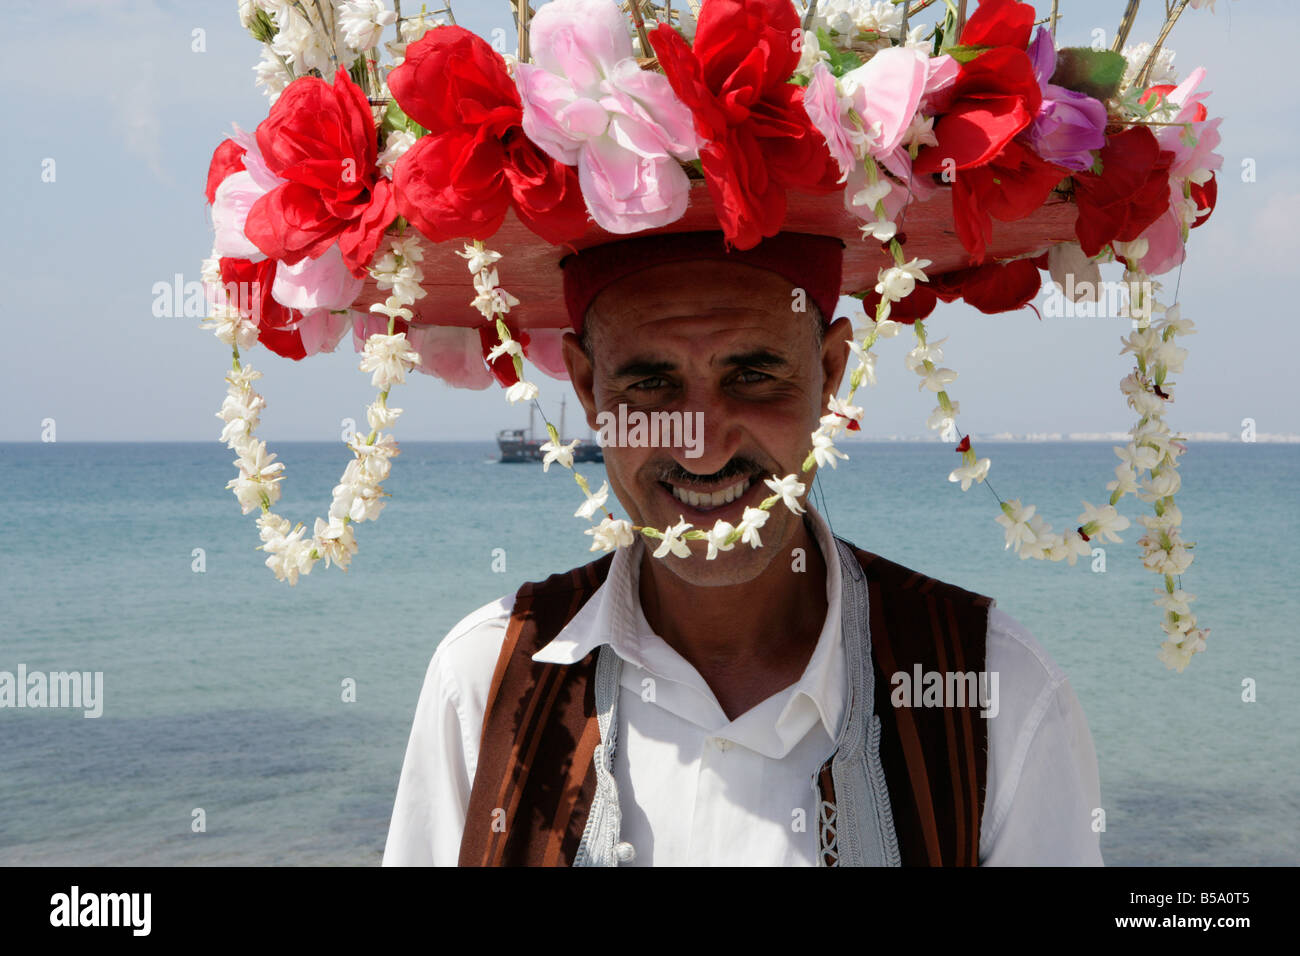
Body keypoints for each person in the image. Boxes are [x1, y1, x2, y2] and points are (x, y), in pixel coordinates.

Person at [382, 230, 1103, 867]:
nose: (701, 447)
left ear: (830, 374)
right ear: (586, 388)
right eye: (652, 383)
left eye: (752, 377)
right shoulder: (483, 683)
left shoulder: (996, 693)